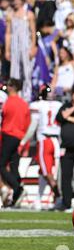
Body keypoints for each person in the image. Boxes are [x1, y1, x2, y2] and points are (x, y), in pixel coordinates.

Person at [20, 84, 62, 210]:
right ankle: (38, 199)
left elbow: (33, 126)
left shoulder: (37, 105)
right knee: (43, 171)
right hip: (56, 141)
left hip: (45, 140)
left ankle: (59, 197)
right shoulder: (58, 105)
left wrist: (24, 141)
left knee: (46, 172)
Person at [0, 78, 30, 206]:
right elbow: (27, 123)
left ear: (12, 87)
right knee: (13, 166)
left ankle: (17, 187)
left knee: (1, 165)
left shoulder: (8, 102)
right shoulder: (24, 104)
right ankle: (17, 195)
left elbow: (4, 117)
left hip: (9, 134)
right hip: (19, 137)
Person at [4, 0, 37, 102]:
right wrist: (7, 50)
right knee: (15, 70)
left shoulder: (29, 14)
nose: (16, 2)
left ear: (22, 1)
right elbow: (8, 33)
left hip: (25, 44)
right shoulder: (10, 15)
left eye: (18, 0)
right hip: (14, 45)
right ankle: (15, 94)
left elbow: (33, 32)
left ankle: (27, 95)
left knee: (26, 70)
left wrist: (33, 47)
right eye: (15, 0)